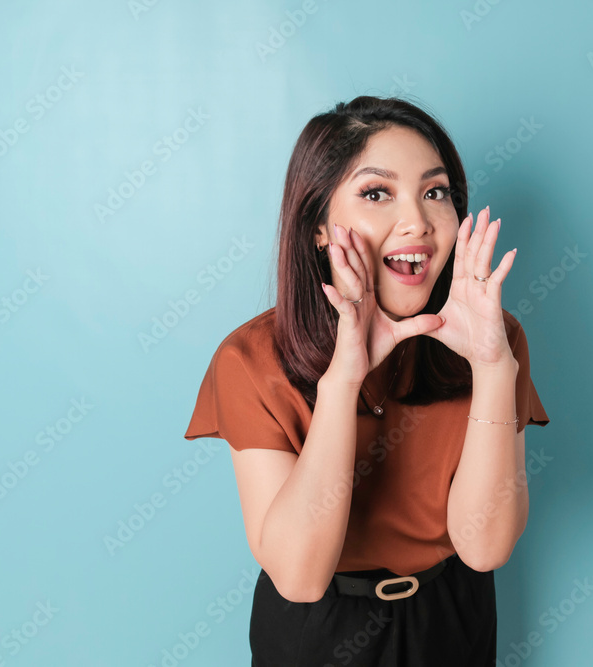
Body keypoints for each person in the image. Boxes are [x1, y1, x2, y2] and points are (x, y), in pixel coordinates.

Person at [183, 95, 550, 666]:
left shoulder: (496, 339)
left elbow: (485, 546)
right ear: (319, 229)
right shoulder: (249, 359)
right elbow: (300, 578)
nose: (418, 222)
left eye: (436, 192)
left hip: (452, 615)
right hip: (317, 627)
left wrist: (494, 367)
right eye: (376, 194)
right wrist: (341, 382)